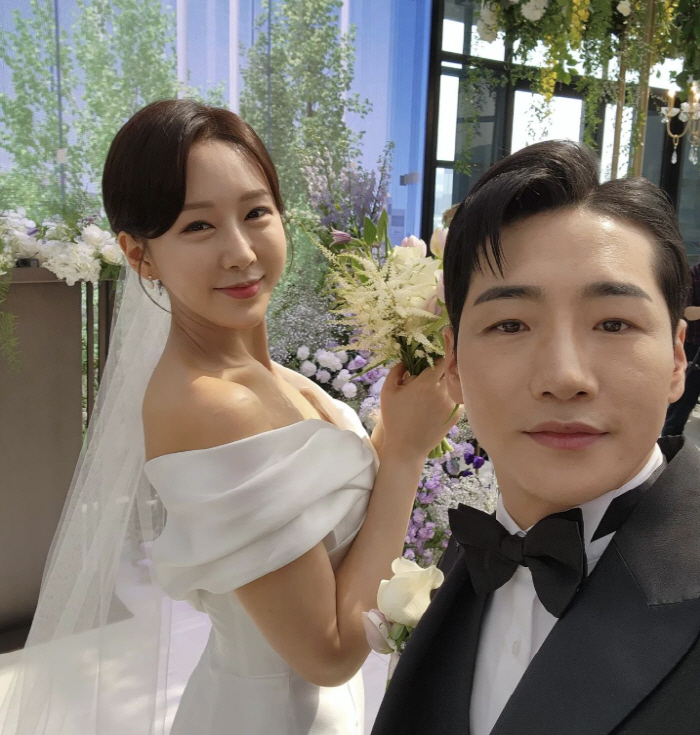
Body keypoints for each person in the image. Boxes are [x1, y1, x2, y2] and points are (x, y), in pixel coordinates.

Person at [0, 100, 457, 735]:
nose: (240, 252)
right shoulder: (210, 404)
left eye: (255, 213)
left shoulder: (275, 377)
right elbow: (327, 653)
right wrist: (404, 452)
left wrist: (397, 423)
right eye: (198, 226)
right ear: (139, 255)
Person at [372, 140, 700, 735]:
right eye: (510, 325)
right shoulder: (466, 560)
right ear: (453, 363)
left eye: (614, 323)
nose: (563, 377)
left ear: (677, 358)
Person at [662, 261, 700, 436]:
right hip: (694, 346)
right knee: (684, 399)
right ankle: (670, 441)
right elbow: (687, 312)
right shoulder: (693, 274)